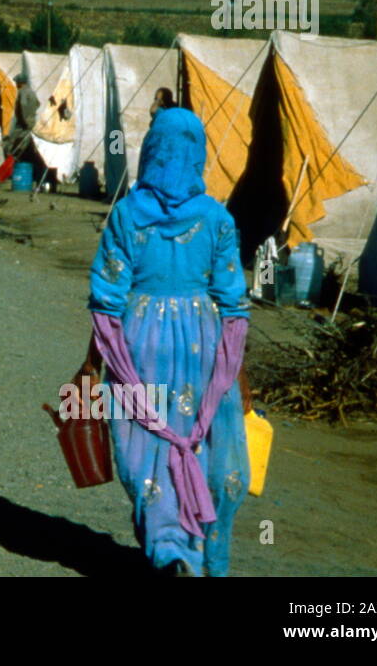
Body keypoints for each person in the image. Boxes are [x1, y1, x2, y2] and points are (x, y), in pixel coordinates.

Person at [81, 108, 252, 577]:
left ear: (150, 150)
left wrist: (96, 362)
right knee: (212, 453)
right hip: (203, 344)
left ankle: (168, 548)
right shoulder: (217, 217)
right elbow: (234, 303)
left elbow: (107, 298)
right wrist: (235, 371)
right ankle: (205, 558)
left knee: (146, 451)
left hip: (140, 344)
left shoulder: (126, 214)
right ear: (199, 154)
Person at [7, 72, 40, 161]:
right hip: (32, 120)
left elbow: (22, 106)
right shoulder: (31, 91)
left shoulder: (22, 92)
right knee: (26, 141)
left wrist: (24, 119)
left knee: (13, 142)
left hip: (23, 122)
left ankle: (12, 160)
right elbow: (38, 104)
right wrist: (31, 113)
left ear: (20, 83)